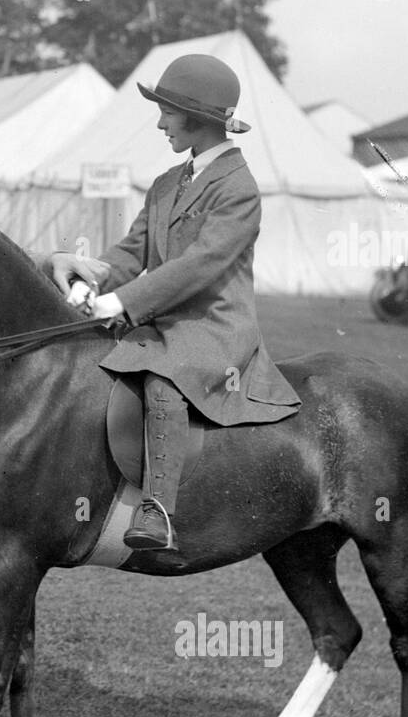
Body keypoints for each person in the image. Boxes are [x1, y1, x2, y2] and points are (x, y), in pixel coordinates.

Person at [47, 53, 300, 555]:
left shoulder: (238, 188)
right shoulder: (167, 183)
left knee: (164, 374)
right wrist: (91, 284)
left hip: (213, 327)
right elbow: (131, 251)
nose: (160, 122)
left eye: (168, 112)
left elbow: (200, 266)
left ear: (200, 118)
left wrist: (122, 301)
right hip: (163, 319)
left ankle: (157, 511)